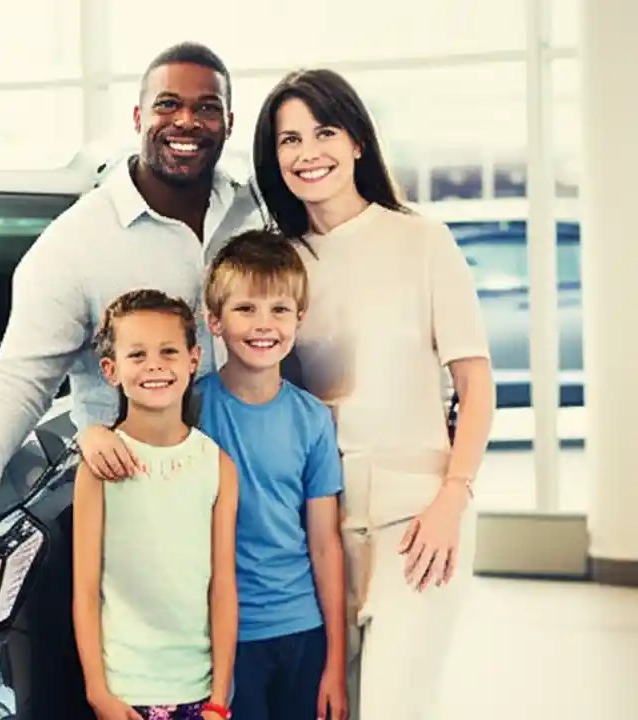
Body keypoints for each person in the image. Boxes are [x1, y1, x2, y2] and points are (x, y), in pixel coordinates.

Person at [0, 40, 267, 577]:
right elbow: (21, 377)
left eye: (206, 108)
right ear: (138, 116)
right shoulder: (76, 242)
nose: (187, 121)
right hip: (138, 512)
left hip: (259, 503)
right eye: (168, 104)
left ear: (227, 121)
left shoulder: (256, 214)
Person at [251, 68, 495, 720]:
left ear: (357, 140)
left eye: (324, 132)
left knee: (394, 704)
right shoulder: (277, 263)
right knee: (336, 706)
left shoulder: (422, 240)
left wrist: (454, 495)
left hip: (417, 517)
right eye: (289, 140)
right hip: (315, 525)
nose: (308, 154)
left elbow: (476, 385)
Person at [78, 231, 348, 720]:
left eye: (279, 310)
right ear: (215, 322)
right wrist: (90, 433)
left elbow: (325, 543)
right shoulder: (192, 404)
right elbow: (137, 424)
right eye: (246, 309)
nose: (263, 324)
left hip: (299, 630)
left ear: (299, 319)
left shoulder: (312, 419)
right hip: (220, 644)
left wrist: (335, 662)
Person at [71, 289, 239, 720]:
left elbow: (222, 587)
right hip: (124, 691)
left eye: (168, 351)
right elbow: (86, 589)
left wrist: (220, 697)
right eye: (137, 354)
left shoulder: (217, 465)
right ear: (110, 370)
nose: (155, 366)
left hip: (199, 690)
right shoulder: (98, 467)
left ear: (193, 358)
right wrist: (98, 692)